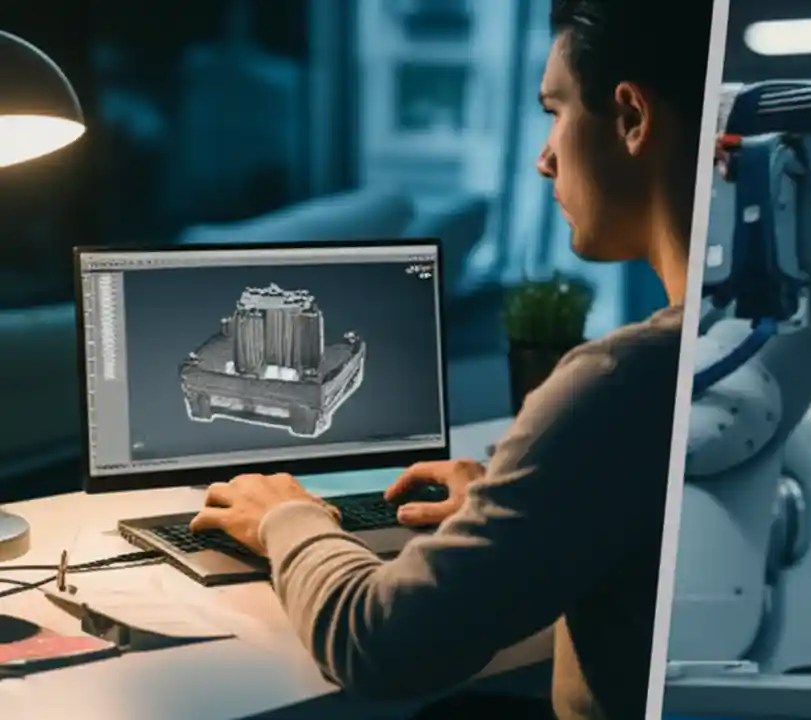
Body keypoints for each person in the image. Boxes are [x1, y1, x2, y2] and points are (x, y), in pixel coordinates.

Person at [188, 2, 714, 718]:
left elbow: (378, 646)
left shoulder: (623, 378)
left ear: (631, 118)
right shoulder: (717, 349)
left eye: (555, 112)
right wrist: (512, 506)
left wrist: (289, 519)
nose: (544, 157)